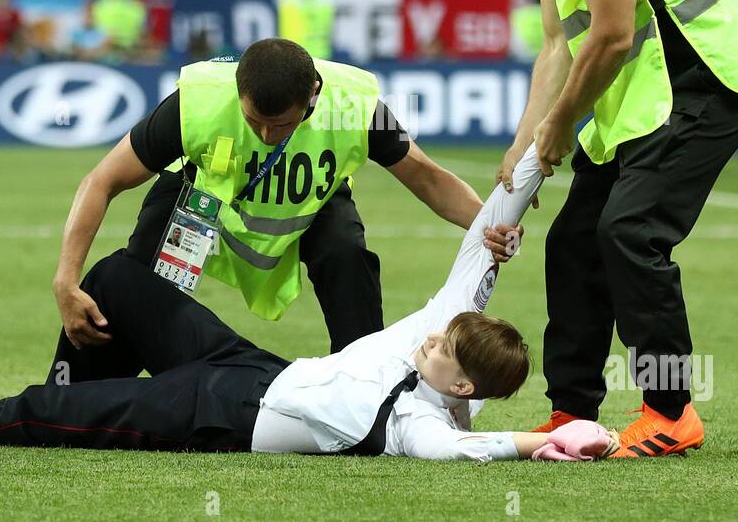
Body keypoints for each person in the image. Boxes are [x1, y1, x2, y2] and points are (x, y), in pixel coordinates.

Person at [0, 145, 620, 464]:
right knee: (123, 279)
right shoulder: (448, 332)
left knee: (35, 410)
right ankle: (72, 399)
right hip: (256, 370)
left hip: (214, 414)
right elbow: (485, 240)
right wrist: (542, 152)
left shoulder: (426, 424)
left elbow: (460, 456)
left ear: (462, 389)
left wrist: (536, 444)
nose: (430, 340)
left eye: (442, 353)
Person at [474, 0, 738, 457]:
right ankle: (571, 415)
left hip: (706, 83)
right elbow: (558, 44)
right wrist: (526, 139)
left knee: (631, 231)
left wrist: (558, 126)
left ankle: (671, 412)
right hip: (641, 99)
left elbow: (610, 37)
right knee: (574, 243)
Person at [52, 38, 519, 361]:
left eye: (282, 126)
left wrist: (487, 224)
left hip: (313, 208)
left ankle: (363, 383)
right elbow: (101, 181)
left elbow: (427, 177)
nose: (266, 135)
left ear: (313, 95)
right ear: (239, 91)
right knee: (137, 283)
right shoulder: (196, 102)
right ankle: (97, 383)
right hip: (201, 198)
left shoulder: (355, 107)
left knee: (346, 253)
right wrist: (66, 280)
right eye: (255, 120)